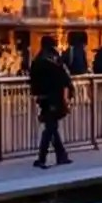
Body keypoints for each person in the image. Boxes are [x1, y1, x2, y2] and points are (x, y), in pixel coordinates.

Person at [29, 36, 72, 169]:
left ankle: (61, 155)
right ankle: (42, 158)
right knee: (50, 129)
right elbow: (65, 79)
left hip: (43, 98)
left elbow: (33, 80)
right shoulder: (55, 60)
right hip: (55, 97)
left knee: (51, 126)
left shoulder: (38, 60)